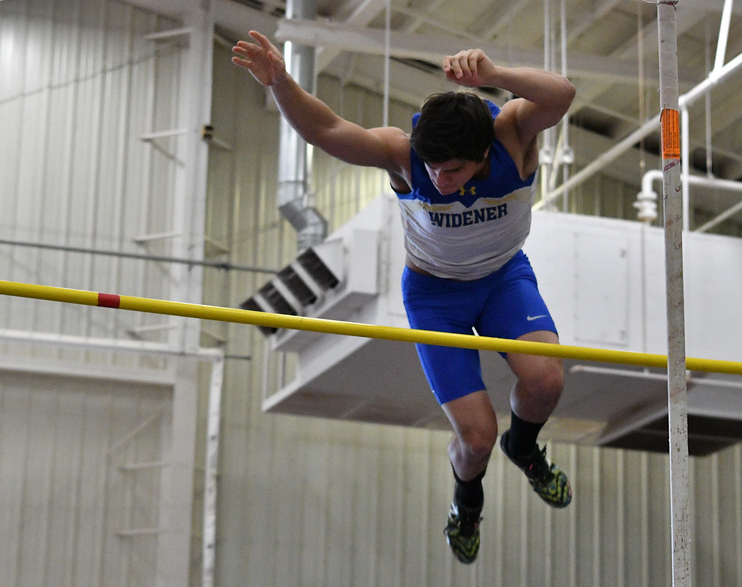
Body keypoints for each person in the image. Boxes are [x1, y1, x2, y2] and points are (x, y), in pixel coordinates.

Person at [233, 31, 576, 565]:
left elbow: (562, 94)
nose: (439, 179)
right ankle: (467, 501)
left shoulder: (511, 134)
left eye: (453, 170)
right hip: (435, 296)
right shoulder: (404, 155)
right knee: (476, 440)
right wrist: (280, 81)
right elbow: (326, 130)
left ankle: (525, 447)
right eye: (432, 167)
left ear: (482, 152)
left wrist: (496, 75)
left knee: (546, 380)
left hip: (502, 279)